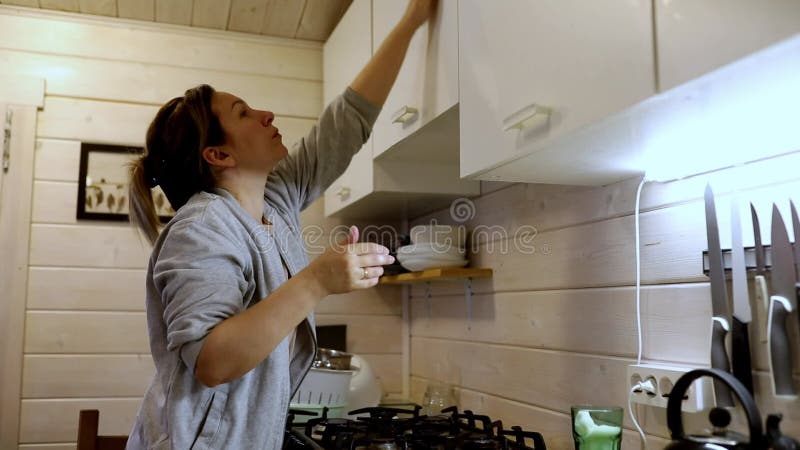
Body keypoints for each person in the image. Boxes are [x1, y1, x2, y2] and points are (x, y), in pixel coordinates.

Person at [124, 1, 436, 448]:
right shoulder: (200, 228)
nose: (266, 115)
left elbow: (345, 125)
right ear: (218, 155)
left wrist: (410, 22)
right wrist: (317, 280)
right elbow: (212, 361)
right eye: (244, 113)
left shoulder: (277, 200)